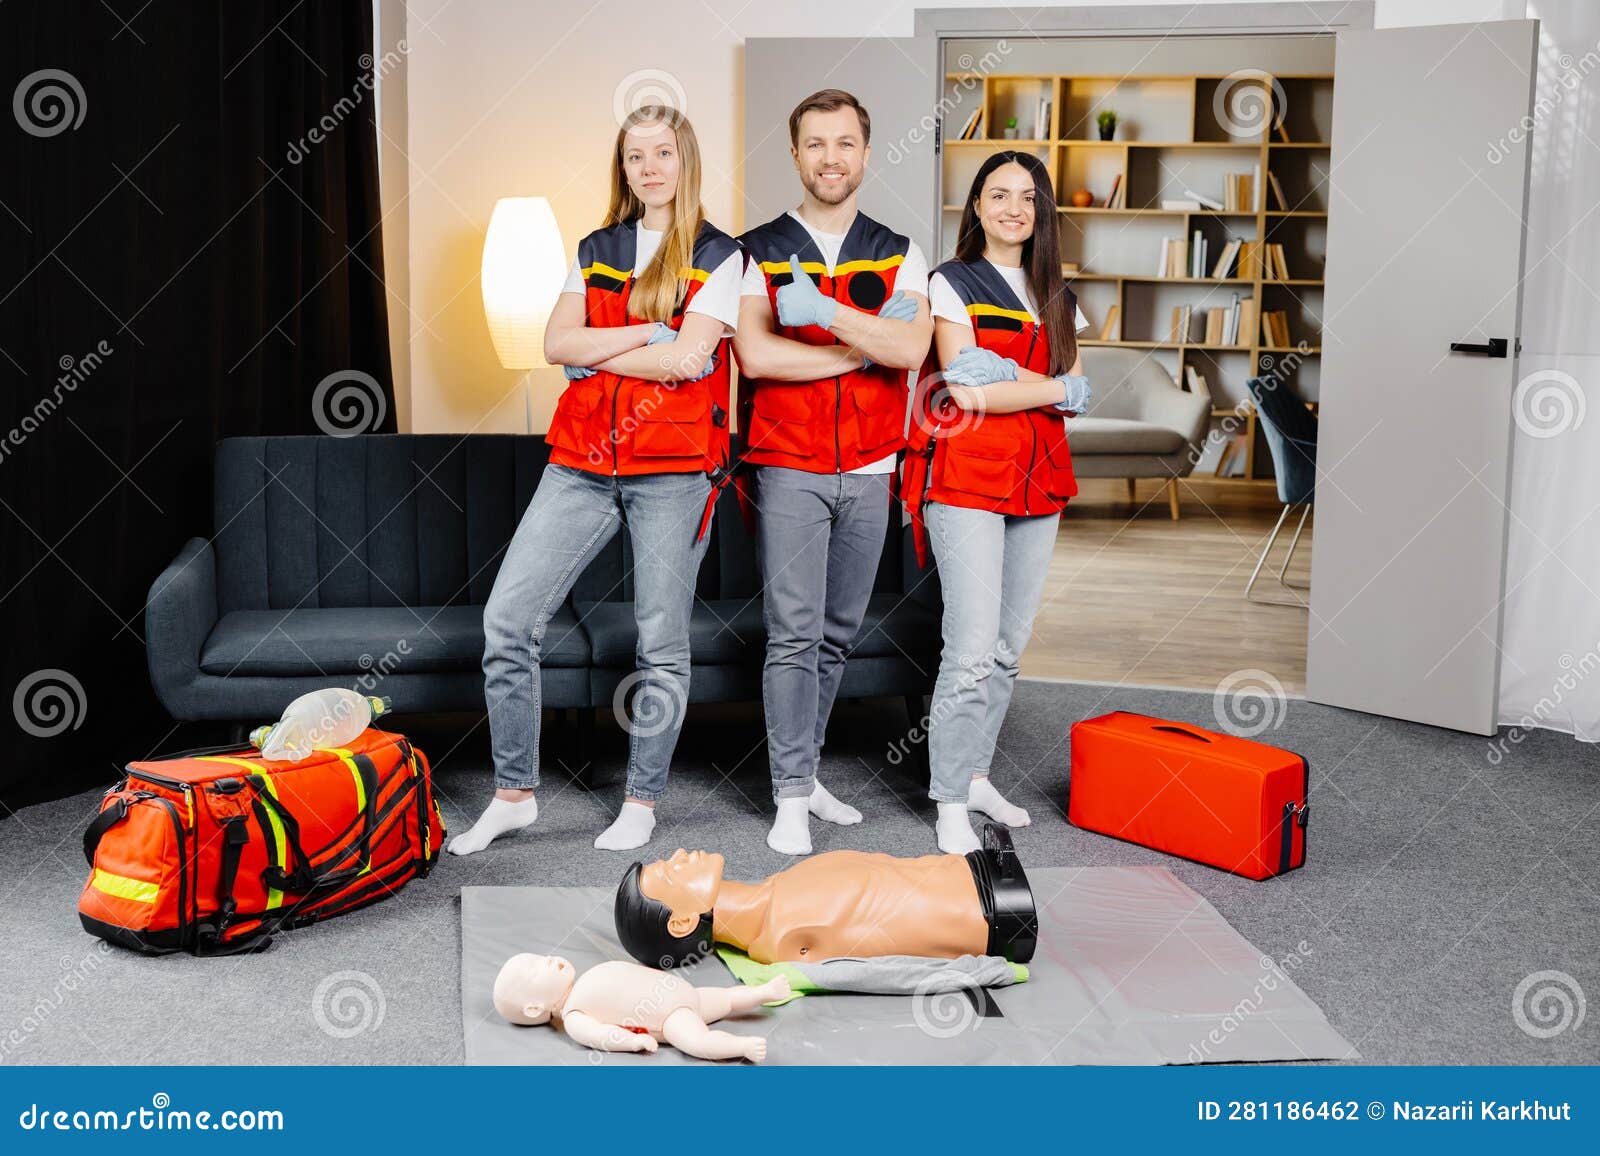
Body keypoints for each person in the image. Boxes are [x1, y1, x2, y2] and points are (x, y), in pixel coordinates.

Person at [451, 105, 744, 855]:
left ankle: (642, 801)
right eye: (635, 156)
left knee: (660, 644)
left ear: (687, 162)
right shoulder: (596, 246)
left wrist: (601, 349)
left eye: (663, 154)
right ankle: (515, 794)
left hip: (673, 472)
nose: (649, 168)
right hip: (581, 462)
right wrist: (649, 333)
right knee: (508, 622)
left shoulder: (720, 255)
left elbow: (692, 362)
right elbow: (555, 342)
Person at [732, 89, 934, 856]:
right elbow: (756, 355)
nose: (830, 158)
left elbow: (912, 351)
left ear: (865, 153)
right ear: (795, 155)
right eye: (815, 144)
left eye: (844, 143)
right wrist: (860, 347)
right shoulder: (756, 249)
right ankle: (789, 795)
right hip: (788, 463)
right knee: (793, 633)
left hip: (874, 464)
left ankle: (807, 770)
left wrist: (828, 315)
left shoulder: (899, 250)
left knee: (838, 633)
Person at [901, 151, 1094, 854]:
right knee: (973, 648)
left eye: (1027, 197)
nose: (1013, 208)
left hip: (1040, 478)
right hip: (966, 477)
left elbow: (1080, 390)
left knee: (1010, 649)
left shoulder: (1059, 295)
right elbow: (967, 392)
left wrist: (1011, 374)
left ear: (1042, 211)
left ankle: (976, 774)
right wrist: (1047, 384)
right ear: (976, 206)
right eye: (997, 194)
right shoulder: (949, 283)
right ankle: (950, 798)